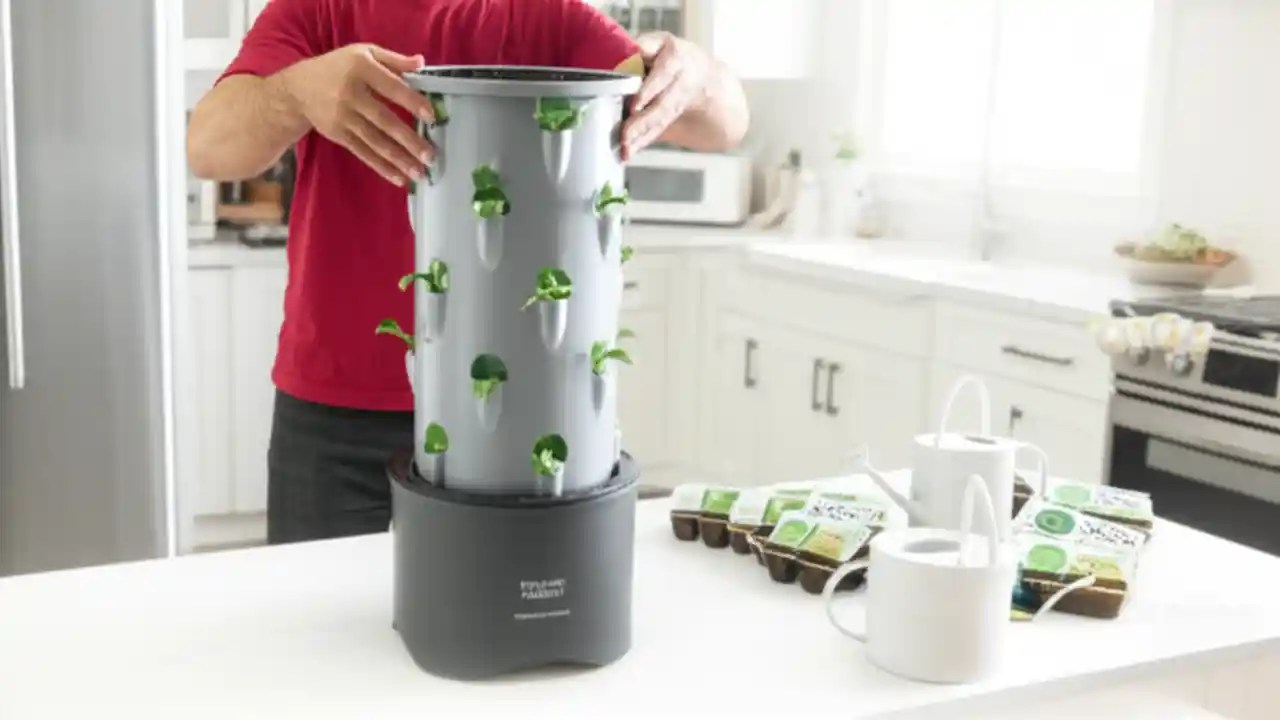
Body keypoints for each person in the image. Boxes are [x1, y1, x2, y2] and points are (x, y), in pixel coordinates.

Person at [186, 0, 749, 544]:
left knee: (499, 626)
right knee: (316, 625)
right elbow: (208, 148)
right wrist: (295, 92)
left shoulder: (545, 15)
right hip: (335, 415)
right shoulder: (317, 10)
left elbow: (725, 125)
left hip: (511, 404)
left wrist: (695, 74)